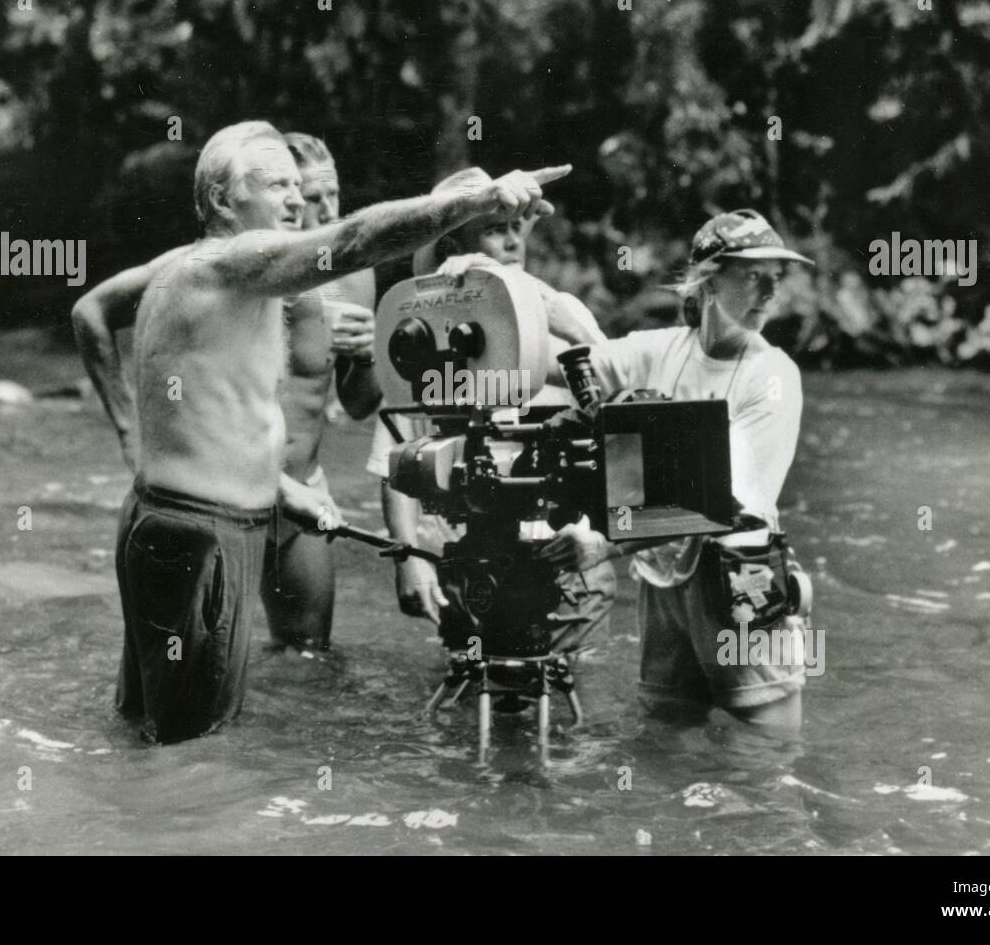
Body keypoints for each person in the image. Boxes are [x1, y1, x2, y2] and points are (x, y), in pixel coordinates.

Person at [71, 119, 571, 743]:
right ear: (224, 201)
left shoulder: (195, 271)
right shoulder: (235, 261)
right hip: (203, 532)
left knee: (146, 724)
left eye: (294, 184)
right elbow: (358, 238)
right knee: (193, 746)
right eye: (275, 185)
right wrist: (468, 202)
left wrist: (284, 491)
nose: (295, 200)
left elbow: (214, 413)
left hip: (170, 516)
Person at [539, 209, 811, 730]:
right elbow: (563, 365)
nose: (770, 293)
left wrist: (600, 544)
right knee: (664, 751)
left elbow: (723, 502)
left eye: (776, 278)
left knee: (764, 764)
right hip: (663, 583)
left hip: (740, 581)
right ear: (708, 281)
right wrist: (499, 310)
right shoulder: (660, 349)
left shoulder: (774, 376)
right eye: (754, 275)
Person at [367, 166, 616, 659]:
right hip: (469, 560)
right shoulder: (426, 327)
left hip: (567, 554)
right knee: (466, 709)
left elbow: (624, 416)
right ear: (452, 246)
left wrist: (597, 538)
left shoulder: (561, 309)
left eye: (514, 228)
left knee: (571, 713)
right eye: (493, 229)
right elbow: (397, 457)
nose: (510, 242)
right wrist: (408, 560)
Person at [262, 133, 379, 652]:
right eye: (312, 199)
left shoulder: (355, 275)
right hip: (228, 485)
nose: (328, 211)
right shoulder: (248, 271)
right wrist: (300, 324)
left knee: (306, 657)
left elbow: (359, 405)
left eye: (334, 195)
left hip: (302, 490)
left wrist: (367, 352)